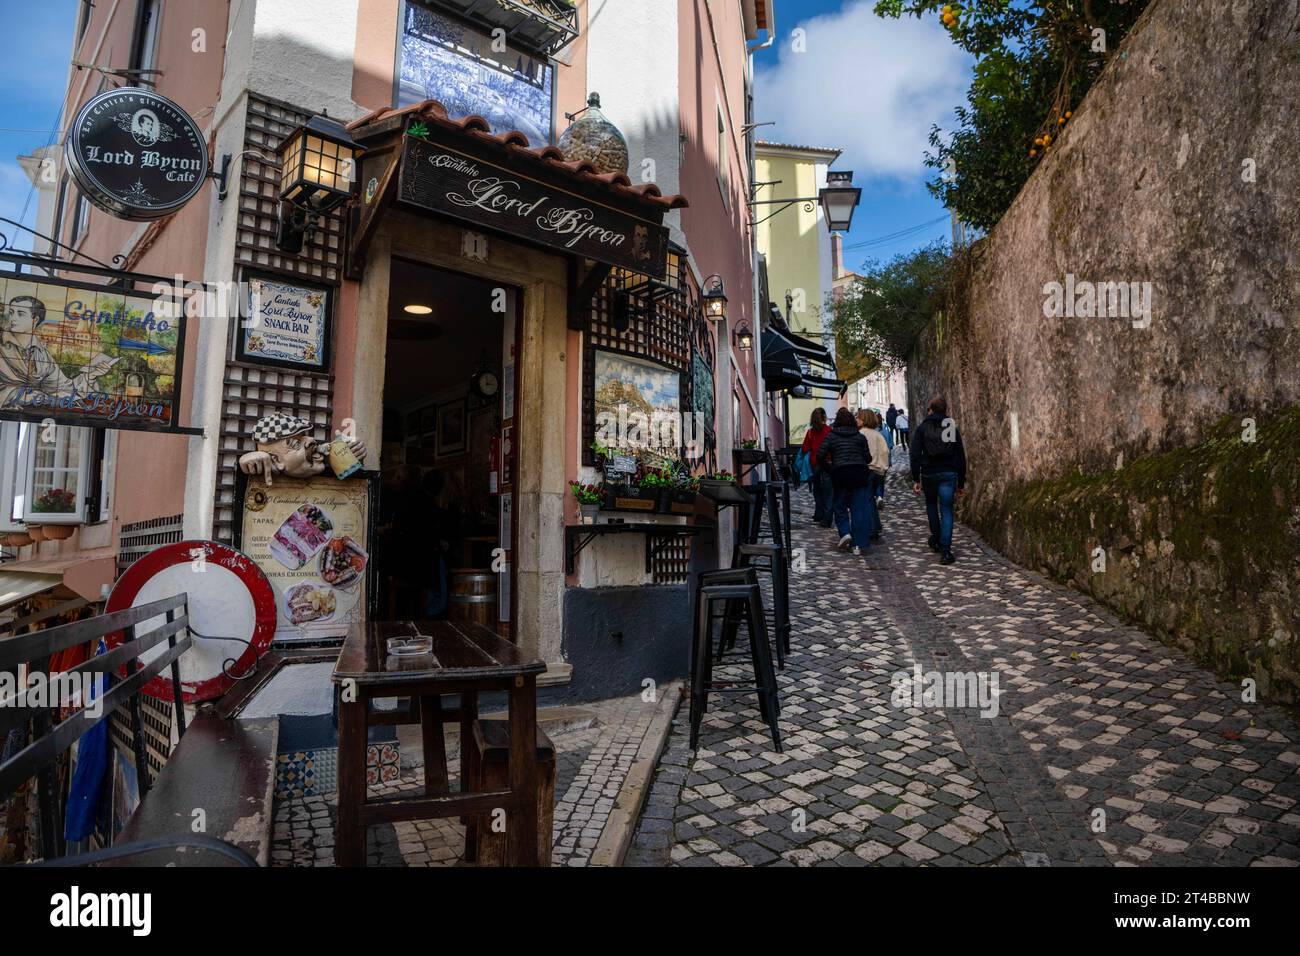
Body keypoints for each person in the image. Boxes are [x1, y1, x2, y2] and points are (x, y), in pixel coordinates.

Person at [909, 396, 967, 565]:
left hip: (928, 473)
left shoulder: (923, 427)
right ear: (945, 410)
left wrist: (915, 477)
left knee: (931, 506)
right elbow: (959, 455)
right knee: (947, 510)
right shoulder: (949, 426)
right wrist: (961, 481)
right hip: (948, 473)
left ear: (931, 409)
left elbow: (914, 454)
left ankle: (936, 538)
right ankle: (946, 550)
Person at [817, 407, 876, 556]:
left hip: (841, 474)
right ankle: (859, 543)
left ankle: (845, 532)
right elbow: (868, 458)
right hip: (859, 474)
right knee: (858, 509)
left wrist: (830, 469)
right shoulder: (859, 437)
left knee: (839, 506)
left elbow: (820, 455)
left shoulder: (832, 436)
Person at [800, 407, 833, 527]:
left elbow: (804, 448)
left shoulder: (810, 432)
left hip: (815, 464)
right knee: (828, 492)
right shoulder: (829, 430)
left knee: (817, 490)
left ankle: (819, 514)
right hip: (827, 464)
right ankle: (827, 517)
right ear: (824, 417)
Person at [858, 409, 889, 537]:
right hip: (878, 471)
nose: (856, 420)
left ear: (863, 419)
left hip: (867, 470)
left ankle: (872, 529)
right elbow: (885, 452)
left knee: (868, 499)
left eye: (858, 418)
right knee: (871, 498)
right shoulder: (878, 435)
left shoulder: (860, 434)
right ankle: (876, 524)